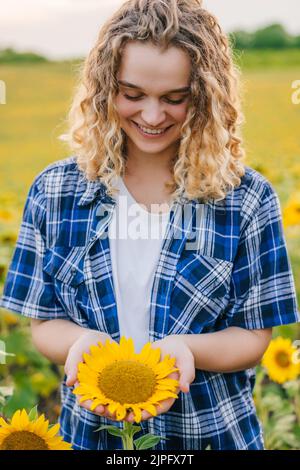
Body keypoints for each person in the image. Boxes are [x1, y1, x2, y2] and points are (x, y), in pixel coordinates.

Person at [0, 0, 299, 450]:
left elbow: (255, 335)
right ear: (103, 88)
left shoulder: (246, 198)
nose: (153, 116)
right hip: (90, 436)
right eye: (133, 95)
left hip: (209, 435)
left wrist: (187, 349)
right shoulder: (55, 192)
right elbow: (44, 323)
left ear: (205, 95)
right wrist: (83, 343)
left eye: (175, 99)